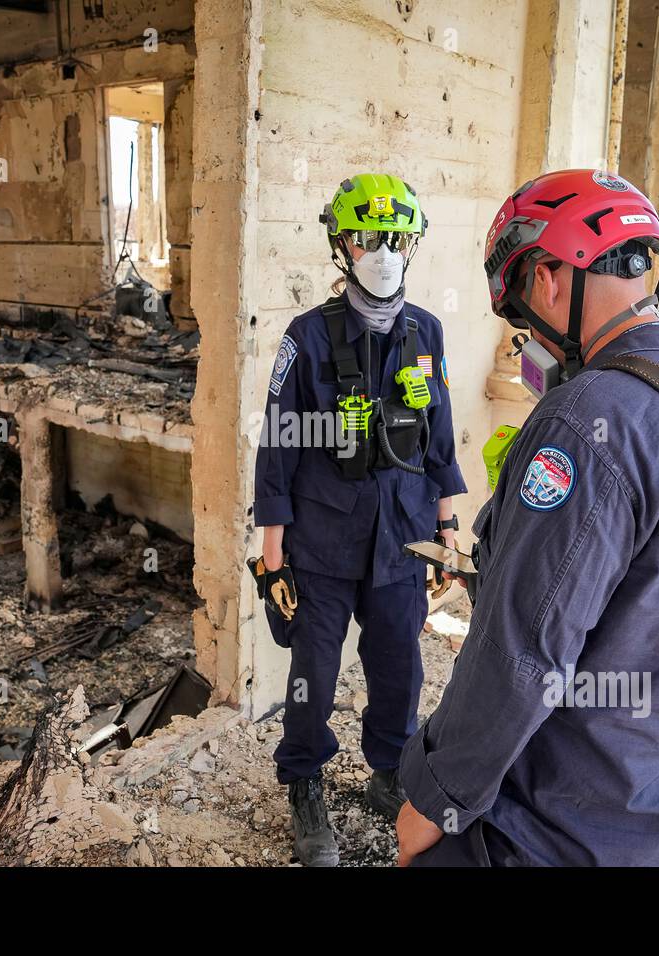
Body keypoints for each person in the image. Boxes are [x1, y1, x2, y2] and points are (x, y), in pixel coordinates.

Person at [395, 168, 659, 866]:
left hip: (548, 820)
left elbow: (523, 649)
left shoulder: (588, 419)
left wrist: (436, 795)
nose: (526, 337)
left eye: (519, 310)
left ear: (549, 275)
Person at [250, 172, 466, 866]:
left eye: (393, 239)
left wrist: (448, 527)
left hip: (403, 539)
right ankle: (305, 780)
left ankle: (386, 772)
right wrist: (272, 551)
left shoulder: (426, 331)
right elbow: (278, 440)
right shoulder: (306, 336)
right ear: (340, 245)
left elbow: (438, 433)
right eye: (364, 237)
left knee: (399, 665)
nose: (381, 252)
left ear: (412, 244)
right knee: (313, 668)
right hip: (321, 539)